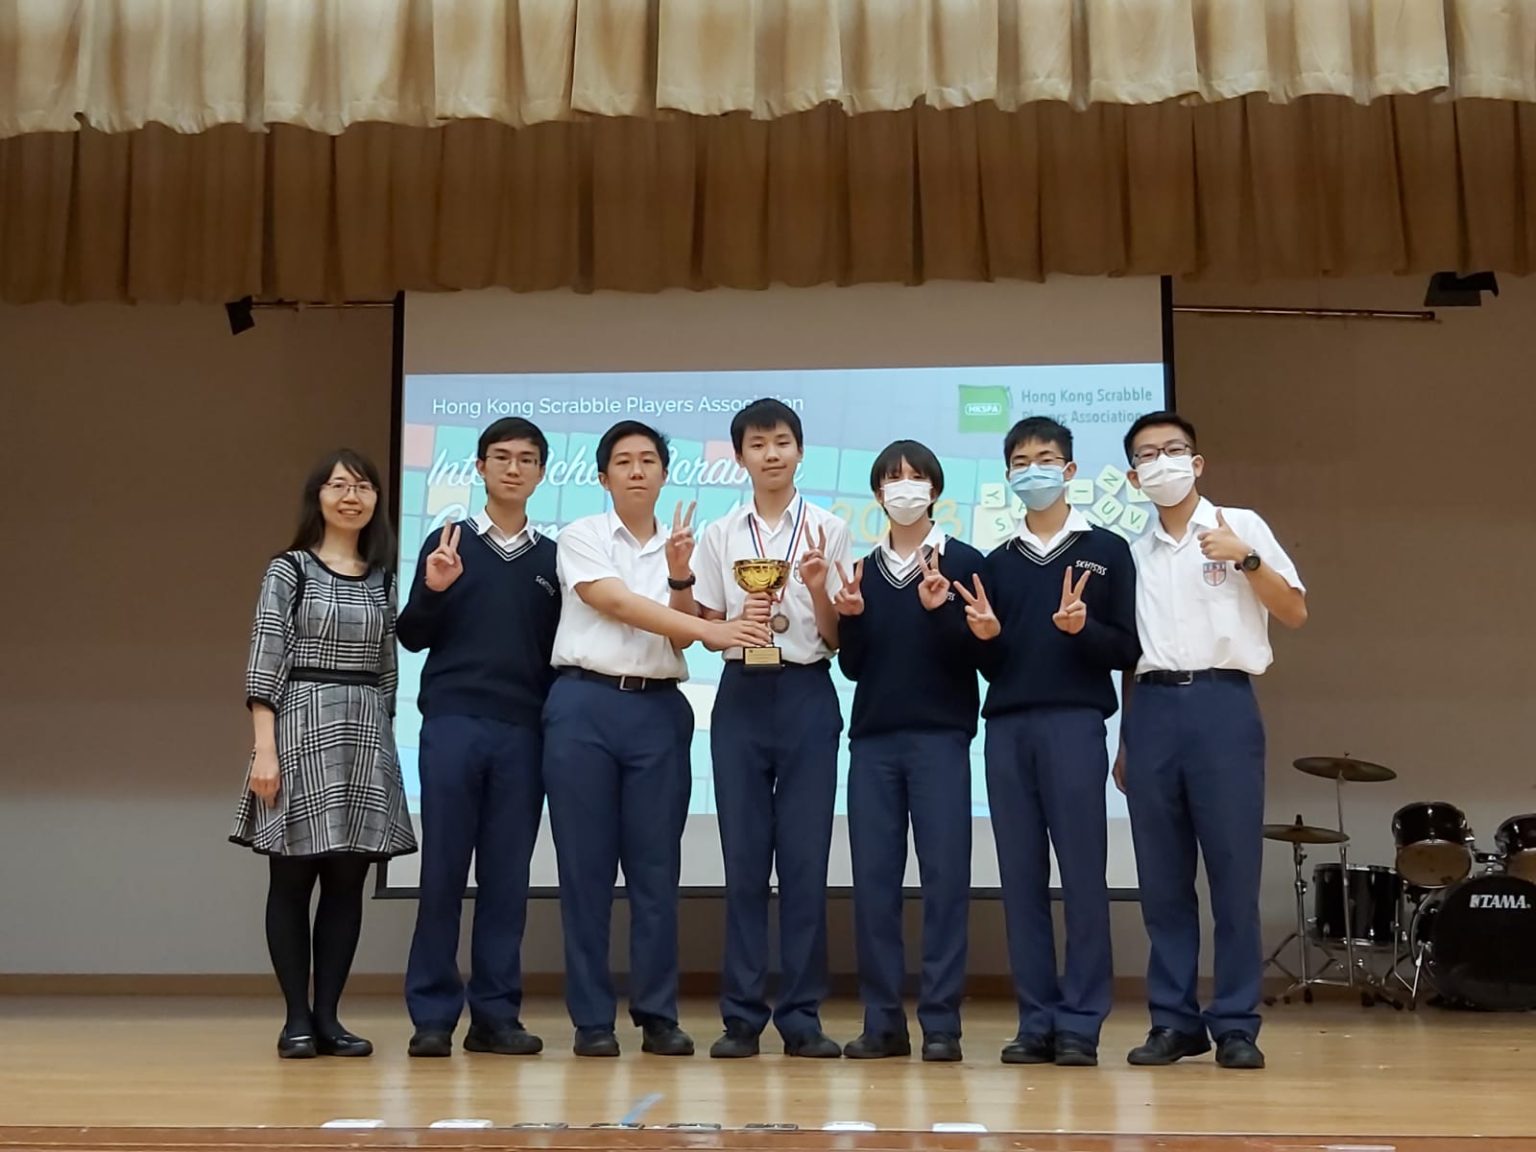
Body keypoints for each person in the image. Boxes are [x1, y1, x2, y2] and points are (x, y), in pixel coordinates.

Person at [543, 420, 771, 1058]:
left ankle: (657, 1015)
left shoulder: (689, 549)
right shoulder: (581, 534)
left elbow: (673, 634)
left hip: (658, 711)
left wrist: (681, 580)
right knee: (585, 872)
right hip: (583, 706)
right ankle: (592, 1020)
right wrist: (711, 630)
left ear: (665, 473)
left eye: (649, 460)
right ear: (603, 476)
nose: (637, 470)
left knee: (655, 871)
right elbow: (612, 601)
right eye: (624, 461)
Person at [1117, 411, 1307, 1071]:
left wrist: (1246, 559)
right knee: (1162, 883)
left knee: (1232, 876)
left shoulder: (1240, 525)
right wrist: (1124, 739)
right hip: (1151, 711)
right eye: (1148, 455)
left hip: (1224, 705)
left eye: (1173, 451)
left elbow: (1294, 610)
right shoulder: (1131, 551)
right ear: (1135, 476)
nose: (1161, 462)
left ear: (1196, 464)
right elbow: (1127, 656)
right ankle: (1174, 1022)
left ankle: (1234, 1024)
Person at [678, 398, 851, 1059]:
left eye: (782, 441)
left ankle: (802, 1015)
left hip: (808, 692)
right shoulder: (722, 534)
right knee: (744, 862)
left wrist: (811, 590)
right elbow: (708, 629)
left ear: (800, 451)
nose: (771, 453)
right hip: (741, 698)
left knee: (806, 865)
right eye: (758, 443)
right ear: (740, 456)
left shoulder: (829, 529)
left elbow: (836, 638)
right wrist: (734, 611)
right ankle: (742, 1017)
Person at [231, 449, 417, 1059]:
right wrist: (265, 751)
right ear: (318, 497)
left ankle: (330, 1017)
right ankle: (295, 1021)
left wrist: (385, 747)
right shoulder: (290, 570)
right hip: (299, 726)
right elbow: (265, 660)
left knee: (346, 883)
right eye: (339, 485)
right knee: (291, 878)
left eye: (363, 486)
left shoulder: (386, 576)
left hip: (364, 731)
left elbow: (388, 672)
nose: (351, 495)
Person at [976, 416, 1139, 1068]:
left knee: (1082, 879)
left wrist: (1082, 630)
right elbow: (994, 666)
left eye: (1046, 459)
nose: (1033, 470)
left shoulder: (1107, 549)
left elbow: (1128, 647)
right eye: (1021, 461)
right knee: (1019, 880)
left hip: (1075, 725)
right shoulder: (995, 562)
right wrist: (986, 640)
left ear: (1070, 471)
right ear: (1010, 476)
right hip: (1007, 728)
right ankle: (1035, 1020)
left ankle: (1081, 1022)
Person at [397, 418, 561, 1059]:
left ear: (542, 473)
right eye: (501, 457)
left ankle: (495, 1015)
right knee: (441, 872)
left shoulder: (555, 556)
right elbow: (412, 633)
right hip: (453, 724)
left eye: (526, 459)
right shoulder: (447, 542)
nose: (513, 468)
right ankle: (432, 1015)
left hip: (525, 731)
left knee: (506, 879)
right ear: (480, 467)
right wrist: (436, 589)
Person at [833, 440, 992, 1063]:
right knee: (874, 885)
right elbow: (854, 667)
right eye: (893, 479)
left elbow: (982, 655)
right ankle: (882, 1022)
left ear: (935, 490)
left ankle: (943, 1022)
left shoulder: (965, 563)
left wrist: (941, 613)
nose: (905, 488)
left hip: (941, 740)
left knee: (946, 881)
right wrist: (850, 619)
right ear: (877, 494)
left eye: (916, 478)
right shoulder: (862, 571)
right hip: (872, 744)